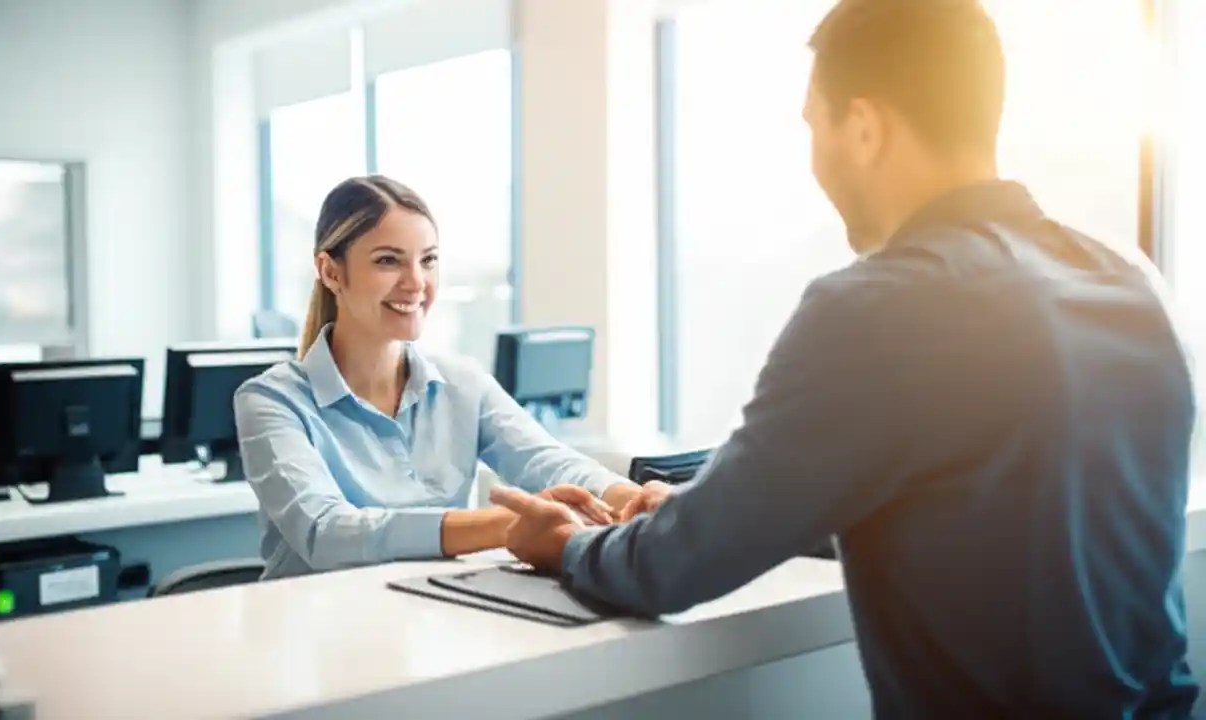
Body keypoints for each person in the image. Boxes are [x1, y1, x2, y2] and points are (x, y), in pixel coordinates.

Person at [490, 0, 1199, 717]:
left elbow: (670, 572)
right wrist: (723, 507)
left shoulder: (880, 305)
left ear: (863, 127)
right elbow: (989, 511)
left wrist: (569, 546)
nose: (814, 158)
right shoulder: (1127, 278)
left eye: (813, 125)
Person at [233, 175, 650, 580]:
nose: (416, 283)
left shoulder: (462, 383)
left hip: (432, 619)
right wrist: (506, 525)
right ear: (330, 272)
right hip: (313, 631)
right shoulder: (271, 400)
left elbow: (544, 460)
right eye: (388, 261)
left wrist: (633, 499)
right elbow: (326, 532)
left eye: (428, 260)